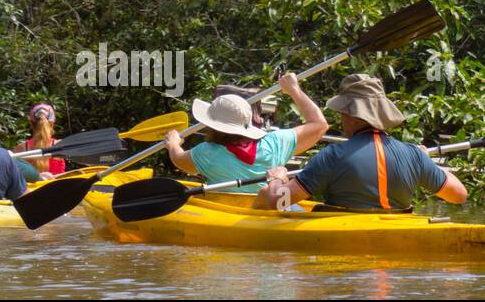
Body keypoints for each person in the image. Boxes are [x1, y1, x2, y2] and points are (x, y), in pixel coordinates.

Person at [254, 74, 468, 211]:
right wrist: (425, 160)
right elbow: (459, 195)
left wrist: (276, 179)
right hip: (393, 239)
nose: (341, 117)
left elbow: (277, 202)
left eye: (343, 112)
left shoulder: (332, 156)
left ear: (354, 116)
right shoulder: (414, 155)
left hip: (343, 244)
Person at [165, 73, 326, 192]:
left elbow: (179, 160)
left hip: (229, 216)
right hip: (266, 210)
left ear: (212, 125)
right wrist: (294, 89)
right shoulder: (275, 142)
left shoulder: (206, 153)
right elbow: (319, 125)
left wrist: (173, 143)